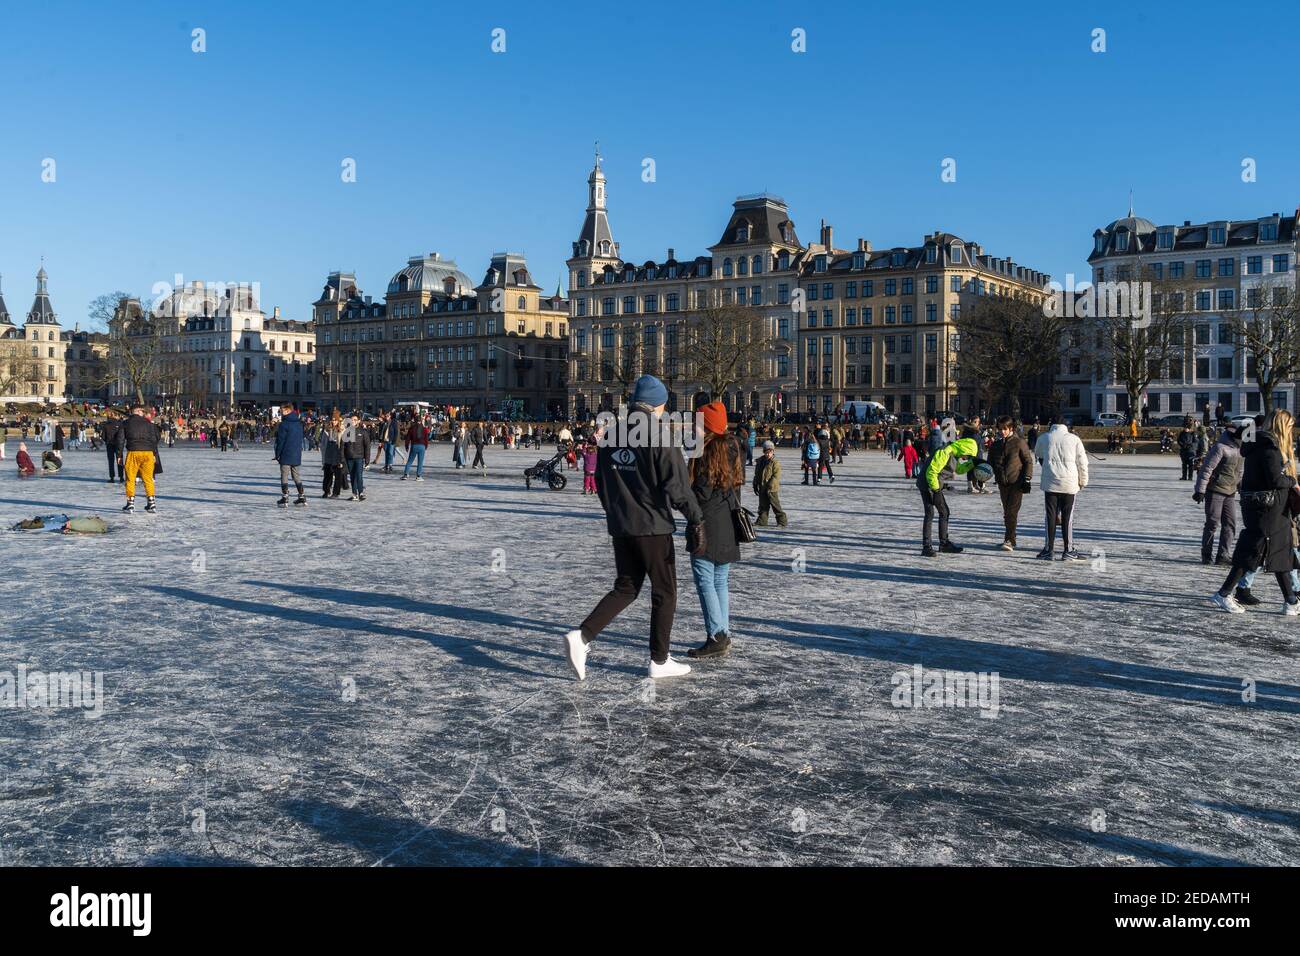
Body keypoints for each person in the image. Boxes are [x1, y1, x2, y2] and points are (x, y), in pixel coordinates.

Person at [563, 374, 704, 681]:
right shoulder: (659, 434)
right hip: (652, 527)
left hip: (621, 525)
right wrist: (696, 517)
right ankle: (659, 659)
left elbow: (601, 482)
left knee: (627, 587)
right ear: (658, 404)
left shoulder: (612, 433)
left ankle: (582, 636)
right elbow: (677, 486)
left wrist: (615, 512)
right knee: (665, 591)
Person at [1211, 409, 1300, 614]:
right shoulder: (1269, 446)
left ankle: (1291, 601)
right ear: (1281, 426)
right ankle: (1224, 594)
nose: (1291, 430)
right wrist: (1293, 481)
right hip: (1269, 510)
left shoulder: (1256, 444)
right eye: (1289, 426)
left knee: (1278, 553)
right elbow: (1276, 480)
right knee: (1253, 553)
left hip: (1265, 508)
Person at [686, 402, 742, 660]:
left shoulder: (707, 450)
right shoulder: (732, 446)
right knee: (720, 580)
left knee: (706, 580)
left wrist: (682, 495)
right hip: (727, 523)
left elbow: (702, 492)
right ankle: (723, 632)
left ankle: (717, 635)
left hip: (707, 525)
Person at [1035, 414, 1089, 560]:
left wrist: (1047, 467)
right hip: (1069, 483)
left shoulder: (1044, 438)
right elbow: (1082, 462)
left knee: (1050, 516)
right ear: (1067, 426)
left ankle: (1048, 549)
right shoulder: (1074, 439)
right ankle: (1068, 550)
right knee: (1067, 517)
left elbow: (1039, 455)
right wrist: (1083, 481)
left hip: (1050, 483)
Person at [919, 434, 978, 556]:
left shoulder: (953, 452)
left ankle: (943, 544)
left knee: (943, 512)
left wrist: (973, 463)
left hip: (933, 484)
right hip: (928, 484)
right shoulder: (945, 452)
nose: (967, 458)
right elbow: (931, 472)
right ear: (964, 449)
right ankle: (927, 546)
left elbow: (959, 469)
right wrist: (935, 490)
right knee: (931, 513)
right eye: (969, 456)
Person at [1193, 423, 1243, 565]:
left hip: (1230, 492)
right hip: (1215, 490)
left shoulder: (1241, 450)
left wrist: (1243, 490)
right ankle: (1207, 554)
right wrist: (1200, 490)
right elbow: (1207, 468)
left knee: (1230, 524)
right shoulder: (1220, 447)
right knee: (1212, 523)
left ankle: (1223, 555)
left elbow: (1240, 473)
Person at [988, 416, 1034, 551]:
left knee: (1011, 512)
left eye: (1005, 429)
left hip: (1017, 482)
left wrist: (1027, 479)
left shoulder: (1019, 442)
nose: (1002, 431)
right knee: (1007, 512)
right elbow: (990, 463)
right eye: (1000, 429)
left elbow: (1028, 461)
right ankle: (1010, 538)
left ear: (1011, 428)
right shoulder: (995, 445)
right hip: (1003, 483)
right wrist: (981, 473)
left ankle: (1009, 540)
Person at [121, 405, 160, 513]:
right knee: (148, 479)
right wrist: (154, 454)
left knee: (130, 478)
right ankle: (152, 504)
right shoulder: (148, 423)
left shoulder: (126, 423)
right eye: (142, 411)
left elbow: (120, 440)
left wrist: (119, 455)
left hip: (133, 452)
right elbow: (154, 439)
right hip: (147, 453)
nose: (144, 413)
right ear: (137, 411)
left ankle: (130, 504)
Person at [273, 402, 307, 506]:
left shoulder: (284, 424)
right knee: (296, 475)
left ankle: (285, 497)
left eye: (282, 411)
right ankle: (301, 496)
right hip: (296, 453)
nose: (281, 413)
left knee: (284, 475)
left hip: (286, 453)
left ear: (288, 411)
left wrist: (277, 454)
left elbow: (281, 441)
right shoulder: (299, 423)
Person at [752, 439, 786, 527]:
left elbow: (776, 476)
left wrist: (770, 485)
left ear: (773, 452)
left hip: (771, 489)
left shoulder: (775, 462)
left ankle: (782, 521)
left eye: (770, 452)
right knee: (763, 505)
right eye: (766, 452)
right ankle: (762, 521)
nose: (768, 454)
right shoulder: (760, 461)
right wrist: (755, 483)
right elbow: (757, 474)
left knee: (775, 505)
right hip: (762, 486)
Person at [342, 413, 370, 501]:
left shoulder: (363, 432)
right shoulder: (347, 432)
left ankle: (361, 493)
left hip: (359, 457)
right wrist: (342, 458)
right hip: (349, 457)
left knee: (359, 475)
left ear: (358, 421)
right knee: (352, 476)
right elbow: (343, 446)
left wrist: (367, 459)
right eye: (351, 420)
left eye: (355, 420)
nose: (353, 421)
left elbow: (367, 446)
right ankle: (354, 494)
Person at [320, 416, 346, 498]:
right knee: (327, 475)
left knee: (338, 475)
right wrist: (323, 455)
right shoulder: (327, 430)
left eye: (335, 420)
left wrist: (342, 458)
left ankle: (336, 493)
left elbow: (344, 445)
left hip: (337, 454)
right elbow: (323, 444)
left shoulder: (342, 430)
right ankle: (326, 491)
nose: (334, 421)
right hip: (328, 454)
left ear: (338, 421)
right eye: (332, 420)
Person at [402, 416, 428, 481]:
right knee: (420, 462)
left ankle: (406, 475)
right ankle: (418, 476)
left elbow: (407, 438)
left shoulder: (411, 428)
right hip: (422, 446)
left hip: (414, 446)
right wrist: (426, 446)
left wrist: (407, 446)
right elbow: (426, 439)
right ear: (421, 421)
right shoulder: (424, 429)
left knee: (410, 461)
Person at [102, 410, 123, 483]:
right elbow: (122, 435)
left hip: (109, 444)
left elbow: (103, 436)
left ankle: (112, 477)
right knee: (119, 460)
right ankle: (121, 477)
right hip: (118, 444)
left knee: (111, 461)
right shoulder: (120, 423)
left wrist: (107, 440)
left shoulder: (106, 425)